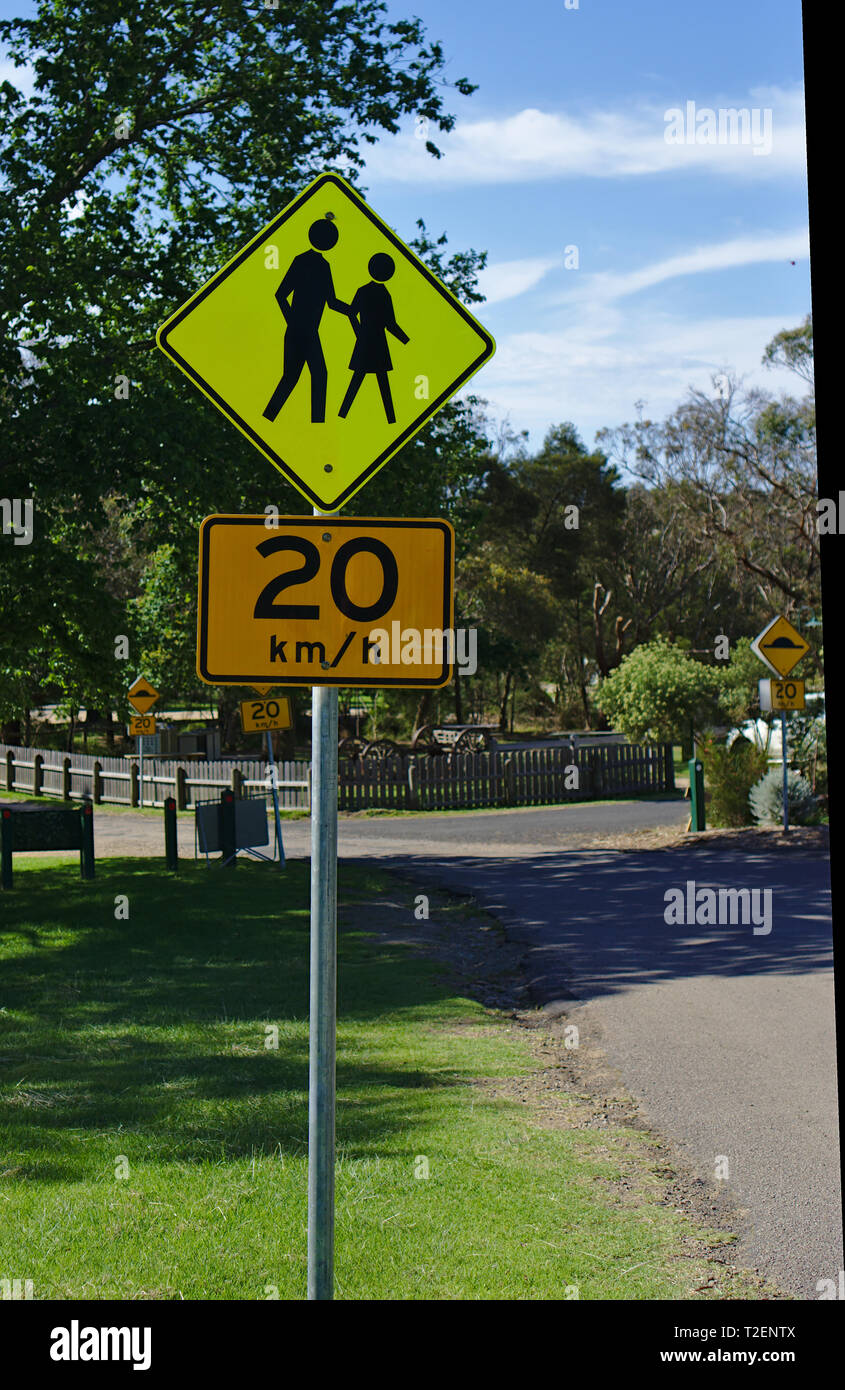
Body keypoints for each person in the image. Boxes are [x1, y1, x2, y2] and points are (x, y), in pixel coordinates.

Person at [262, 218, 351, 424]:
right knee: (312, 375)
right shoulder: (302, 261)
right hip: (303, 332)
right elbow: (281, 294)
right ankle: (311, 423)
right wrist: (292, 320)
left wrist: (352, 310)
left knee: (299, 377)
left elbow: (331, 302)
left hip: (306, 331)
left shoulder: (322, 265)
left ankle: (273, 418)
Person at [338, 253, 409, 425]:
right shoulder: (378, 293)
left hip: (371, 343)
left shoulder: (380, 293)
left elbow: (388, 323)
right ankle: (343, 415)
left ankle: (390, 420)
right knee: (363, 381)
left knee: (378, 382)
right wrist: (359, 333)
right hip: (373, 343)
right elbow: (388, 323)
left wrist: (405, 340)